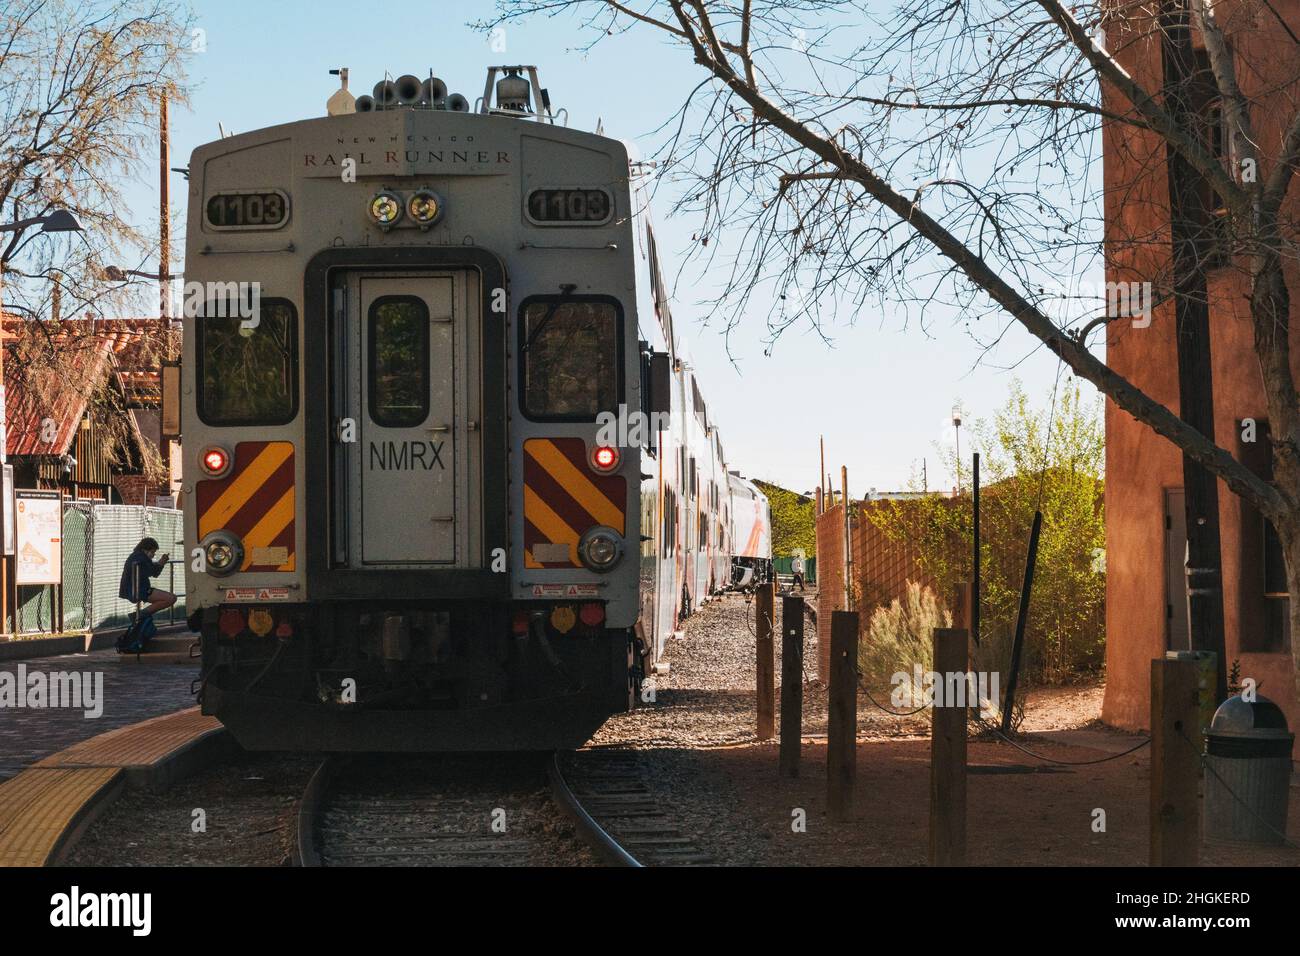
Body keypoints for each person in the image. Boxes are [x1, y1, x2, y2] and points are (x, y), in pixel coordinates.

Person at [119, 537, 175, 621]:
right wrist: (162, 562)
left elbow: (152, 571)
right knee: (171, 598)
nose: (153, 555)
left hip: (135, 589)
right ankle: (139, 615)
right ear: (145, 549)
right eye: (152, 552)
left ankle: (139, 615)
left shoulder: (136, 556)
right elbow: (154, 572)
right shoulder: (141, 558)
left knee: (169, 598)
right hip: (139, 590)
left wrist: (160, 563)